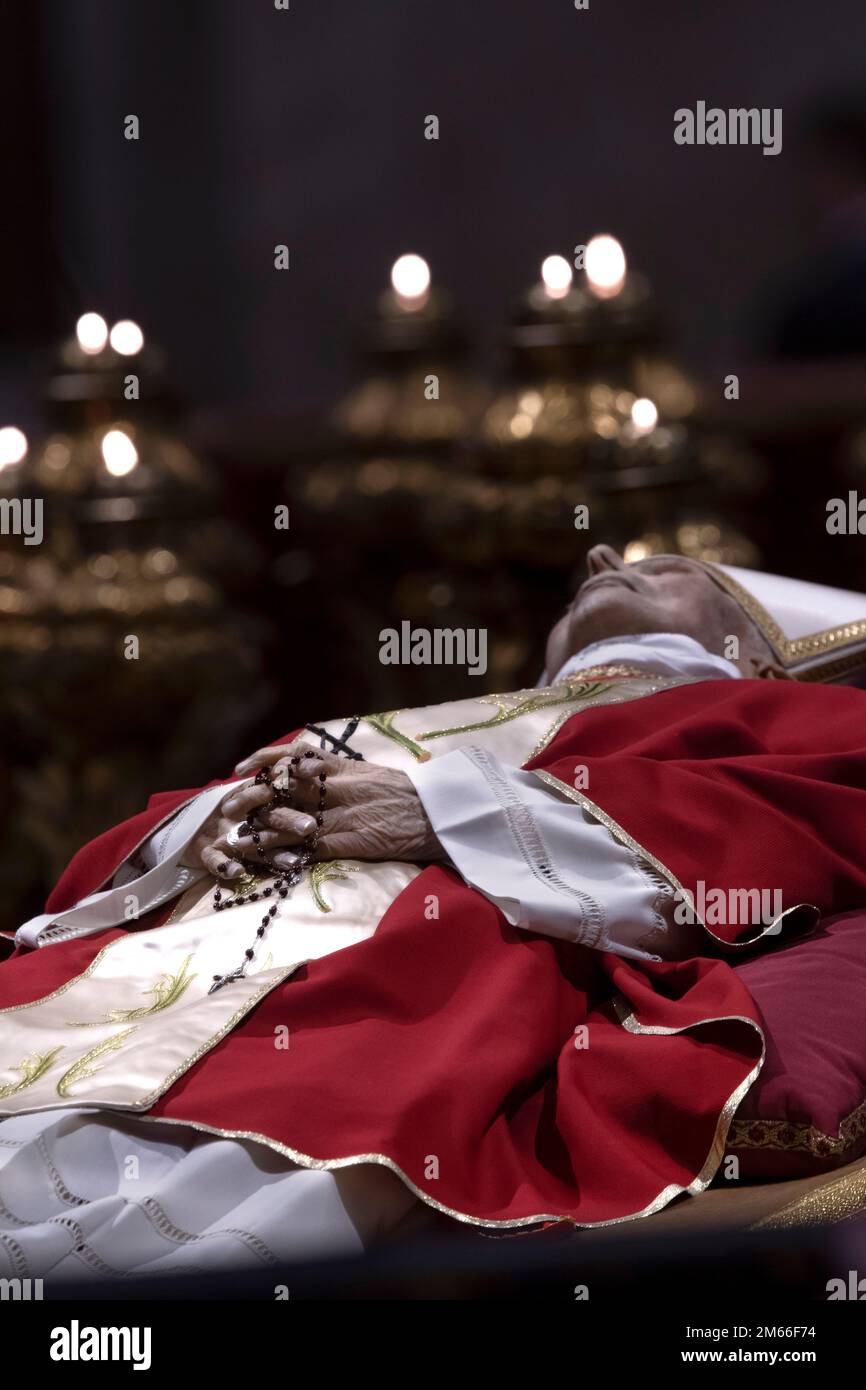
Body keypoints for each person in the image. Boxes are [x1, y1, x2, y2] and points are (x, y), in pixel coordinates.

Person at [2, 544, 866, 1281]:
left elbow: (773, 830)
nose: (601, 559)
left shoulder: (807, 717)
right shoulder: (431, 714)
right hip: (191, 942)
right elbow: (95, 875)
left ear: (755, 656)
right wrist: (220, 819)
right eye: (589, 575)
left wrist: (441, 817)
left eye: (672, 568)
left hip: (419, 953)